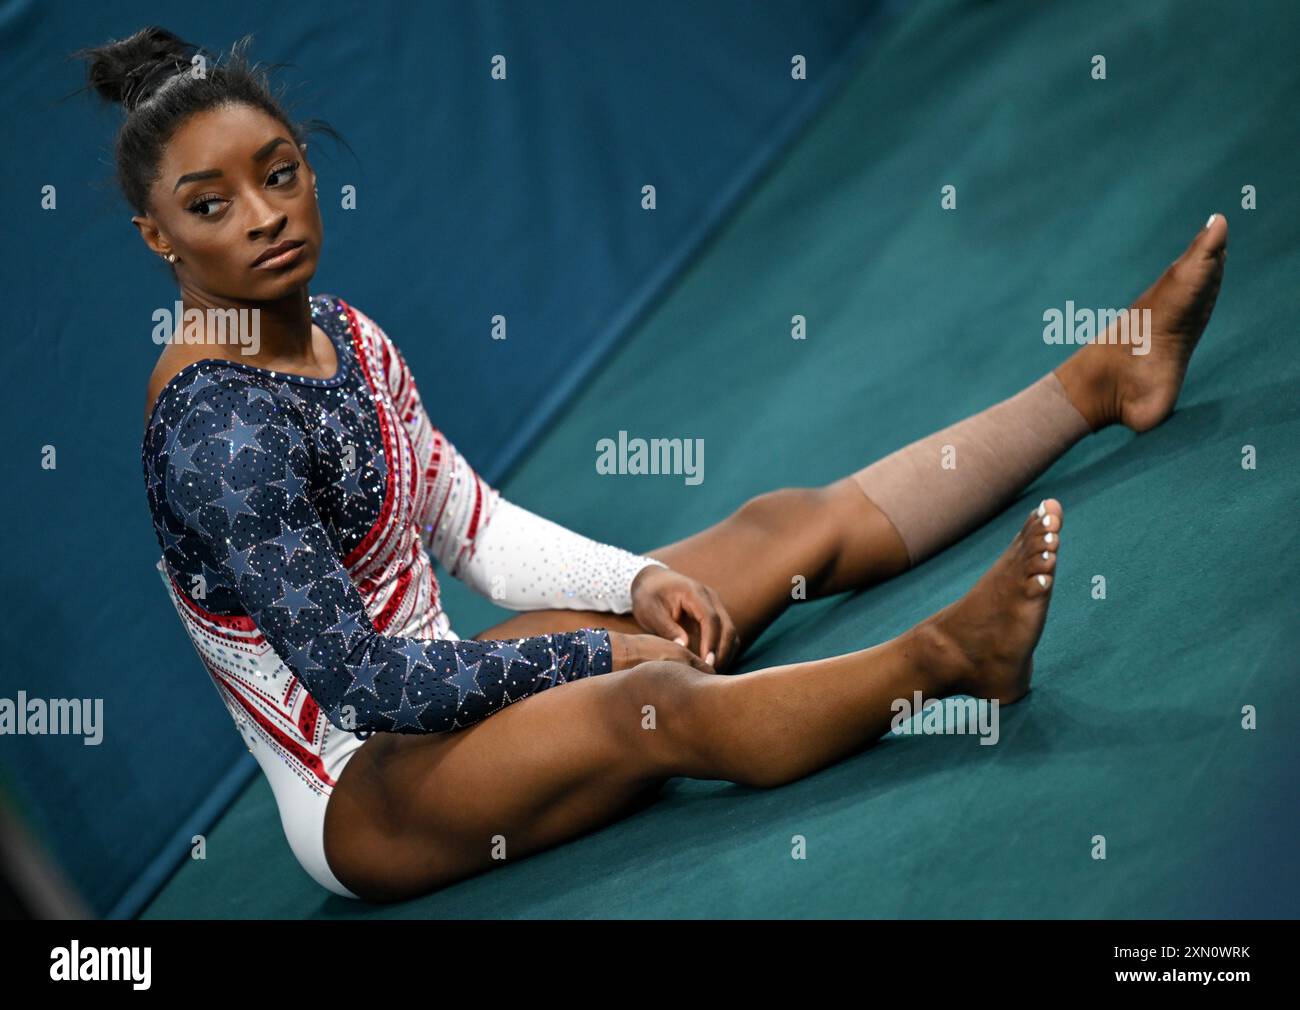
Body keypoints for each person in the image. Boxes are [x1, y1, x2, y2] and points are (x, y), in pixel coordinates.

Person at [82, 27, 1226, 903]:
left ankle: (1091, 385)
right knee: (650, 698)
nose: (264, 216)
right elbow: (366, 686)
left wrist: (633, 585)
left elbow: (468, 524)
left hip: (446, 690)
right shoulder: (216, 438)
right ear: (157, 234)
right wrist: (597, 646)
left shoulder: (343, 331)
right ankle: (948, 658)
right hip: (364, 787)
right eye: (210, 203)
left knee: (774, 532)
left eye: (279, 173)